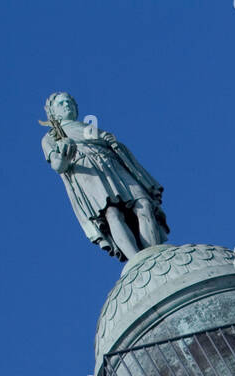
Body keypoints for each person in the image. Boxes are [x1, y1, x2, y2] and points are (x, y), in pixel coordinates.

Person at [41, 92, 169, 261]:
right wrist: (65, 154)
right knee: (112, 213)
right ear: (52, 112)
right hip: (86, 170)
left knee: (143, 203)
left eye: (70, 102)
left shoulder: (88, 128)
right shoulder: (51, 137)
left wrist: (113, 144)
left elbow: (110, 144)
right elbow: (58, 166)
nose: (67, 105)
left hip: (111, 164)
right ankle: (137, 261)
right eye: (61, 103)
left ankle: (155, 253)